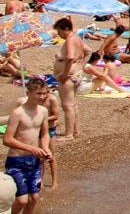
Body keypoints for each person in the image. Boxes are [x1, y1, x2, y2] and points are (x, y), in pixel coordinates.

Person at [3, 78, 52, 213]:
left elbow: (45, 134)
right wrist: (30, 148)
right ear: (29, 93)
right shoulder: (18, 113)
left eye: (44, 93)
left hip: (34, 160)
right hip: (17, 161)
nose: (41, 97)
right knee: (21, 200)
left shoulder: (43, 111)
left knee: (34, 197)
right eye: (38, 94)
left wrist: (45, 147)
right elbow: (7, 139)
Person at [52, 17, 87, 141]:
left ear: (65, 29)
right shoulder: (77, 38)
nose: (59, 34)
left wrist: (65, 73)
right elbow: (88, 51)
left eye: (59, 32)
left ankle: (69, 134)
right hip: (77, 73)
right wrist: (81, 65)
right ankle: (75, 130)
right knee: (73, 104)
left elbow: (70, 57)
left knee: (67, 106)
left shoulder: (70, 40)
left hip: (69, 77)